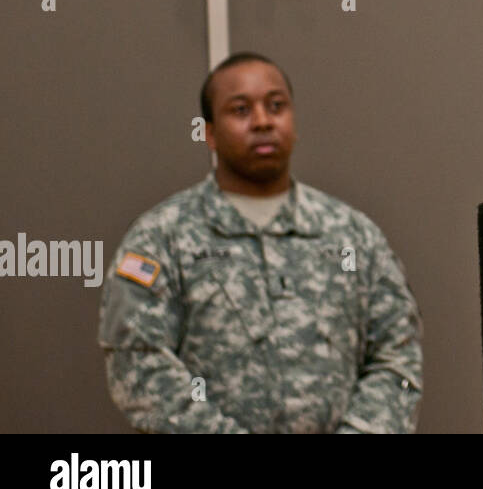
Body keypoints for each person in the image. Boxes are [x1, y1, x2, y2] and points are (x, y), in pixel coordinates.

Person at [99, 52, 423, 433]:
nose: (263, 121)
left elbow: (396, 353)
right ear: (209, 133)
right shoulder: (162, 237)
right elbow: (138, 362)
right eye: (240, 110)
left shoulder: (352, 234)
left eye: (276, 106)